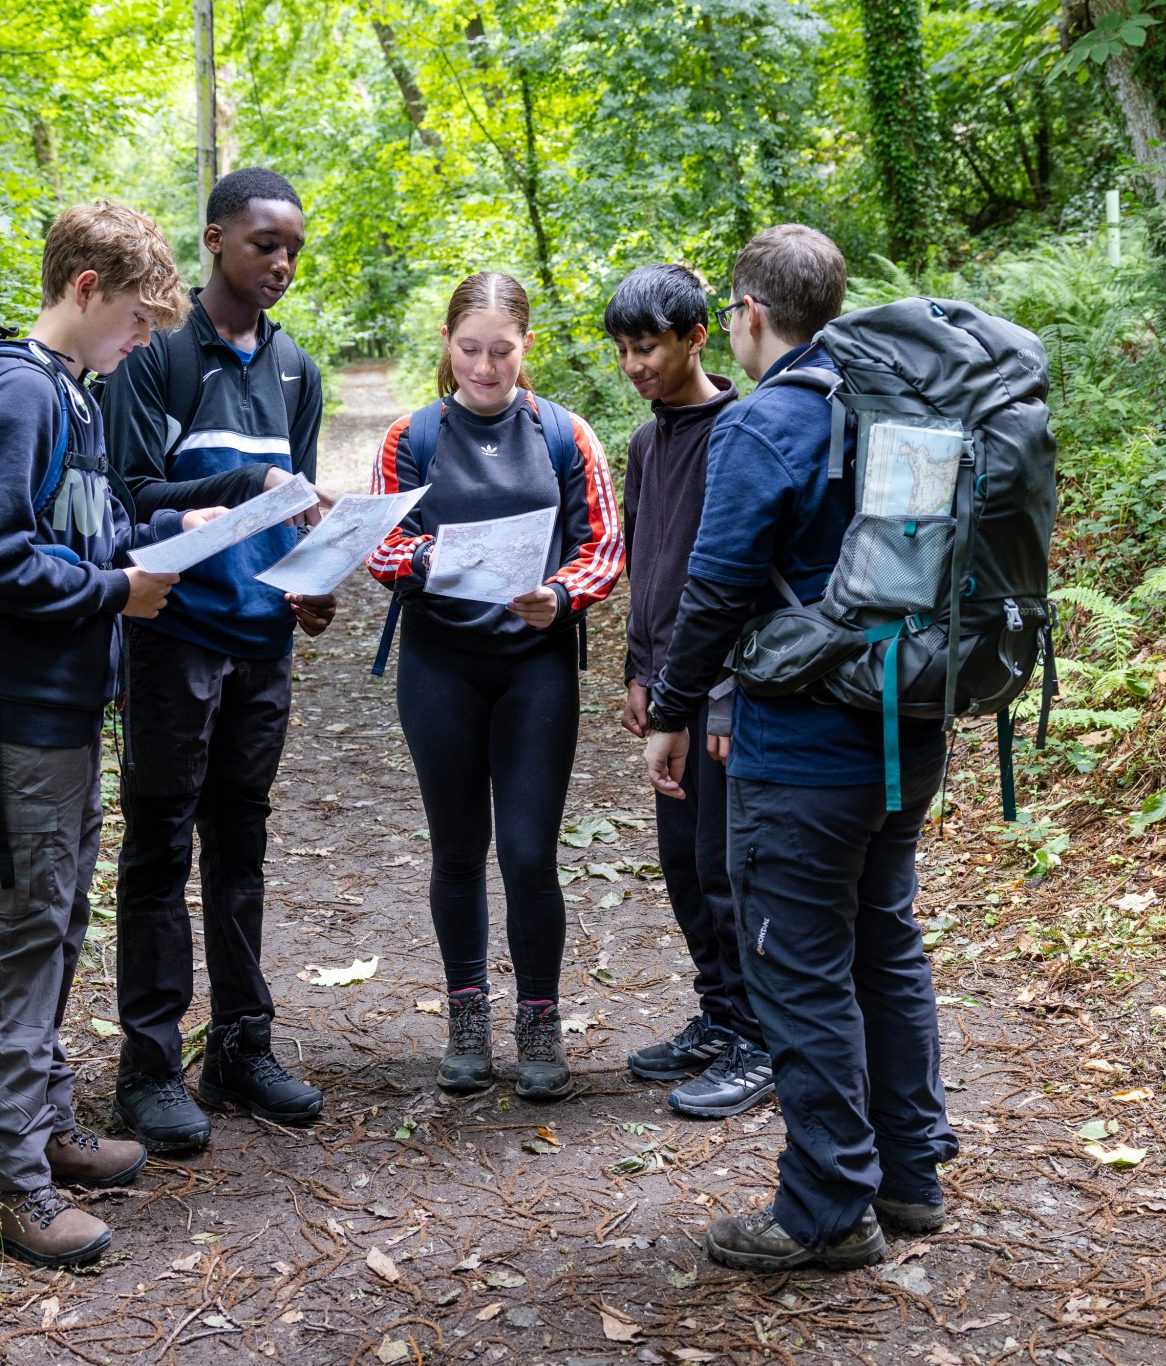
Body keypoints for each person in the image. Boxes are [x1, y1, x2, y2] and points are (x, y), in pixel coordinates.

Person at [641, 226, 955, 1272]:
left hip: (804, 741)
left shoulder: (767, 420)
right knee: (882, 941)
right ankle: (909, 1178)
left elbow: (717, 585)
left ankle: (824, 1206)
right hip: (905, 721)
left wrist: (672, 711)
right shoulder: (891, 401)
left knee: (798, 966)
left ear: (747, 313)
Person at [0, 200, 224, 1268]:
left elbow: (82, 527)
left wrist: (167, 528)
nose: (146, 341)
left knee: (54, 920)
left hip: (65, 715)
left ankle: (45, 1128)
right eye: (140, 321)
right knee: (14, 935)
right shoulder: (15, 393)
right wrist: (117, 588)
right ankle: (1, 1183)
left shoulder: (73, 395)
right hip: (19, 717)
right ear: (85, 289)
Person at [100, 167, 335, 1155]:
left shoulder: (296, 371)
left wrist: (315, 582)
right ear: (213, 240)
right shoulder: (156, 359)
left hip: (258, 640)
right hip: (171, 636)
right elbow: (126, 497)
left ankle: (240, 1044)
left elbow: (301, 508)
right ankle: (147, 1066)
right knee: (158, 842)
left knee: (241, 843)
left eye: (290, 249)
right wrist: (245, 479)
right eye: (260, 245)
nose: (278, 263)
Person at [368, 271, 625, 1101]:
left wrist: (561, 594)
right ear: (448, 345)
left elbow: (604, 545)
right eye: (470, 349)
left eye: (502, 351)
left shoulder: (563, 433)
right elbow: (378, 542)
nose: (485, 367)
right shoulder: (412, 436)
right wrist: (429, 559)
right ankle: (467, 1017)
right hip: (440, 664)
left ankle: (540, 1022)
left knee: (527, 853)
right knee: (456, 850)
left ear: (526, 348)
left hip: (533, 667)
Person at [605, 264, 771, 1120]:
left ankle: (756, 1035)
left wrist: (723, 697)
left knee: (723, 867)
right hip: (668, 690)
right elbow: (649, 566)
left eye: (649, 348)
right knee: (679, 863)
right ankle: (717, 1013)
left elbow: (743, 581)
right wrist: (641, 673)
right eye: (625, 350)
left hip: (719, 695)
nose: (635, 365)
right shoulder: (645, 443)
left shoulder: (739, 431)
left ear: (697, 337)